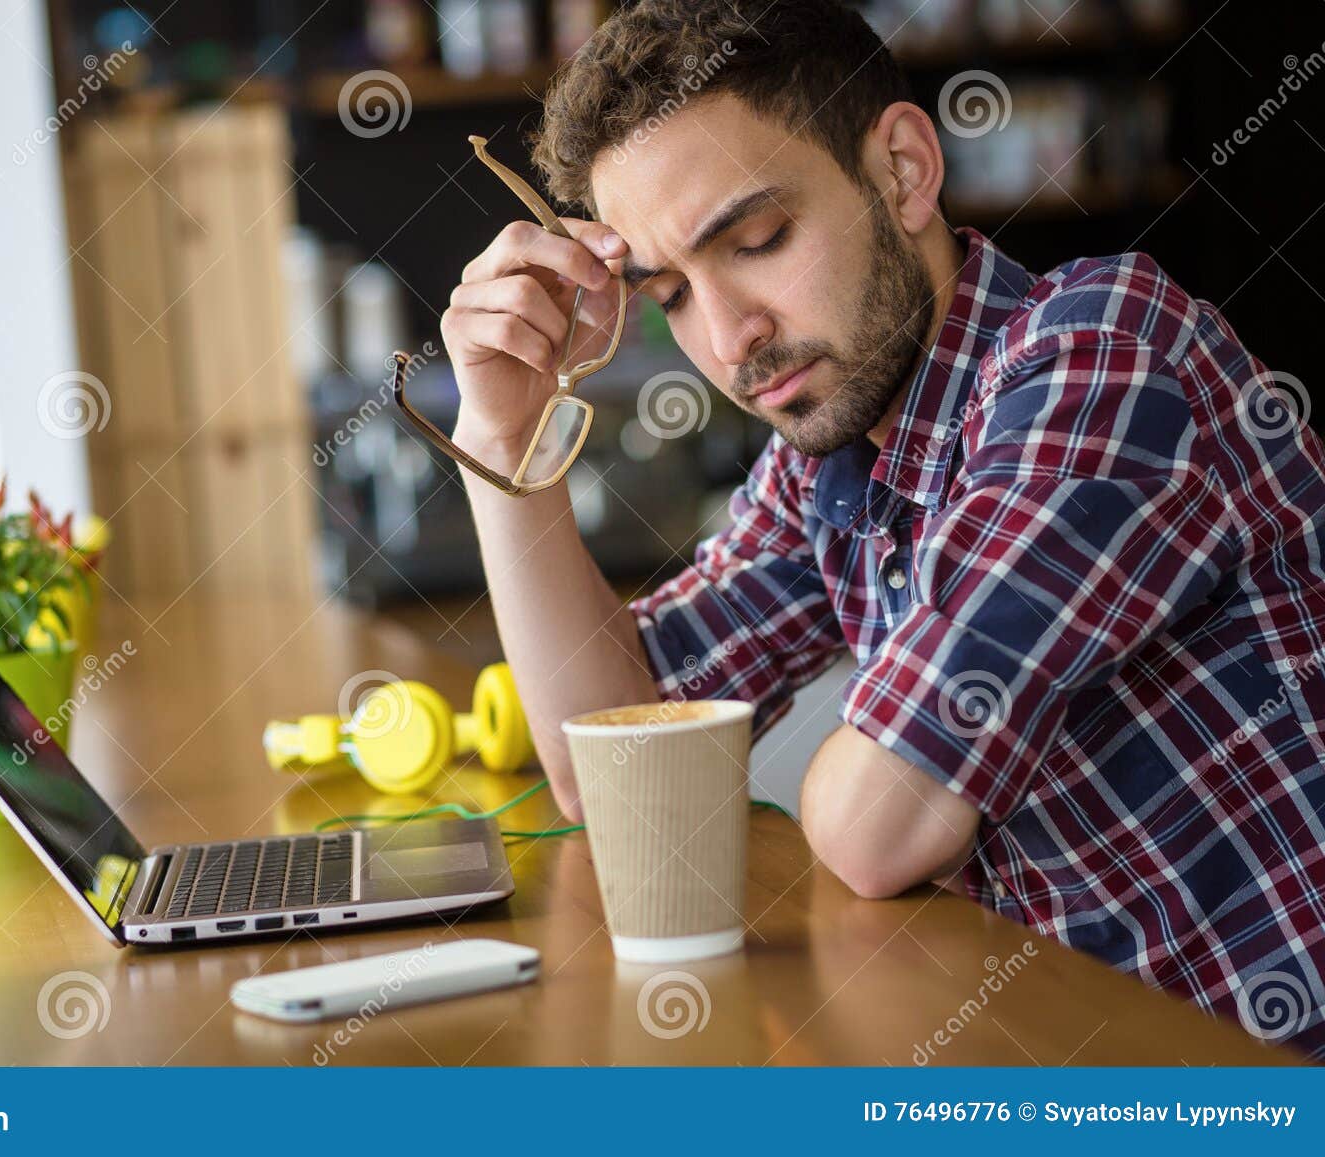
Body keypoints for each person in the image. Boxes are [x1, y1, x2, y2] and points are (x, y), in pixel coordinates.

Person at [439, 0, 1325, 1058]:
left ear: (902, 169)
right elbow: (614, 764)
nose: (729, 342)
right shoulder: (838, 449)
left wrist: (853, 767)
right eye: (670, 293)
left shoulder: (1103, 353)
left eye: (758, 239)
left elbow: (876, 829)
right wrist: (504, 445)